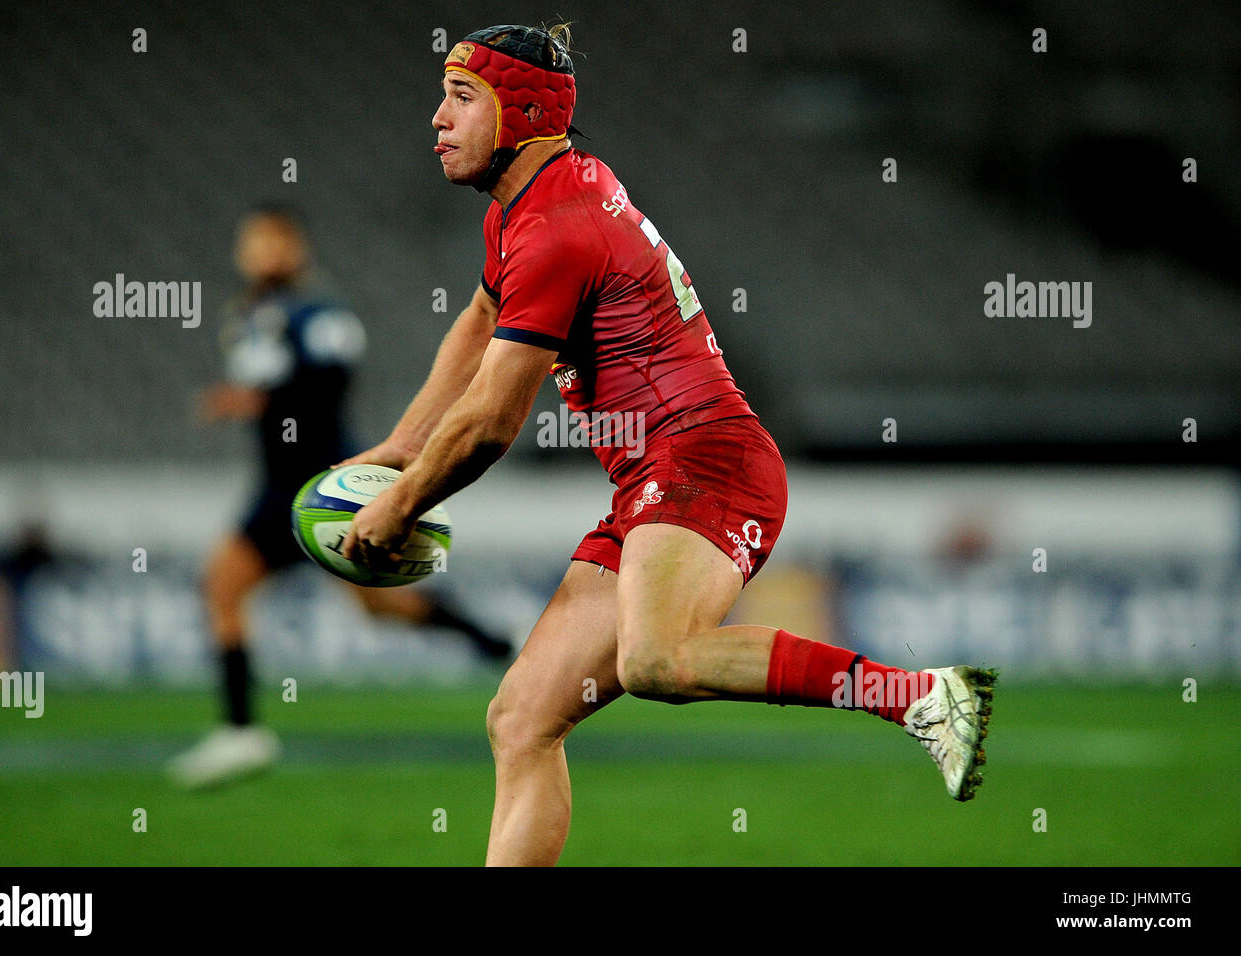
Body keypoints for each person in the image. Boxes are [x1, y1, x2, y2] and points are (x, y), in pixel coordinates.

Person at [338, 24, 996, 865]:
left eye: (463, 98)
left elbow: (492, 424)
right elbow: (477, 323)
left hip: (705, 464)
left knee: (659, 659)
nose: (437, 118)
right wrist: (398, 446)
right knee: (523, 719)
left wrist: (400, 505)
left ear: (526, 111)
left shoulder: (555, 228)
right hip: (657, 478)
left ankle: (918, 696)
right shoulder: (538, 200)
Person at [168, 205, 511, 790]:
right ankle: (241, 731)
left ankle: (491, 641)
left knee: (374, 605)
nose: (259, 250)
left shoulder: (317, 311)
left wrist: (257, 402)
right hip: (277, 486)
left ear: (295, 246)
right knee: (223, 585)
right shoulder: (249, 314)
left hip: (328, 481)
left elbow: (330, 377)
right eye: (252, 240)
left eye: (271, 239)